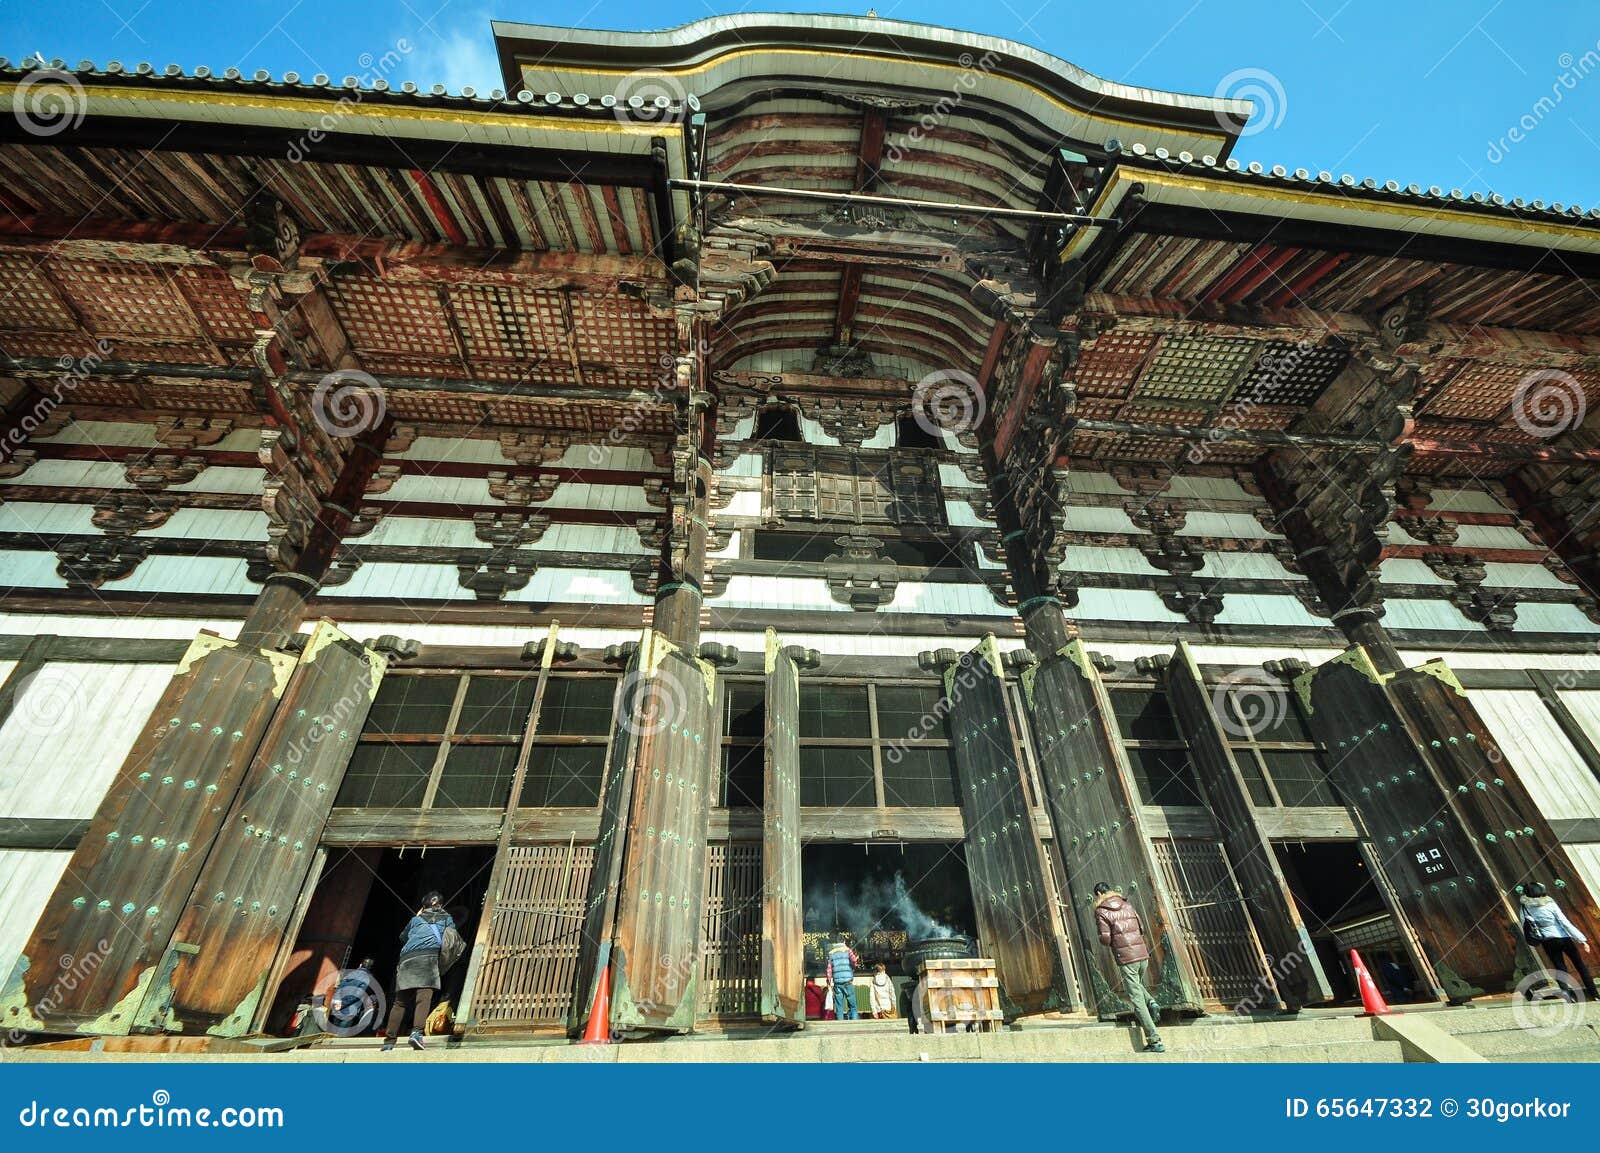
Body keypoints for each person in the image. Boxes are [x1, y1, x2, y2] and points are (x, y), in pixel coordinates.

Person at [1093, 881, 1165, 1053]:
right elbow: (1140, 928)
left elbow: (1106, 938)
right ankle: (1152, 1001)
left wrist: (1103, 939)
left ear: (1097, 894)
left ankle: (1154, 1040)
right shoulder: (1127, 904)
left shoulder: (1101, 911)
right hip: (1142, 954)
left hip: (1127, 958)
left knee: (1136, 1000)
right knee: (1137, 987)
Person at [383, 891, 457, 1051]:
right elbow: (452, 939)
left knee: (399, 1003)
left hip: (407, 960)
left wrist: (418, 917)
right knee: (422, 999)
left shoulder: (415, 920)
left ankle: (389, 1042)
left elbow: (403, 937)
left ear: (423, 906)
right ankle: (416, 1034)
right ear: (441, 905)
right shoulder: (446, 918)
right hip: (428, 960)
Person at [1520, 882, 1598, 1001]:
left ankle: (1567, 996)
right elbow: (1564, 922)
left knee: (1559, 968)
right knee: (1580, 966)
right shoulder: (1550, 903)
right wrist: (1582, 940)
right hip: (1563, 937)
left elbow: (1525, 924)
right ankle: (1595, 994)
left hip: (1547, 941)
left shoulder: (1524, 907)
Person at [327, 956, 379, 1035]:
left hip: (338, 1008)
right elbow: (358, 994)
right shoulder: (368, 978)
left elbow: (339, 988)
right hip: (350, 1011)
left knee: (333, 1033)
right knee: (341, 1036)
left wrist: (338, 1002)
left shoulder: (350, 974)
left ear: (360, 965)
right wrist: (344, 1003)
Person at [827, 938, 860, 1021]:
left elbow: (829, 969)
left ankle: (839, 1025)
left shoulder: (831, 953)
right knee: (853, 1006)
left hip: (837, 983)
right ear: (844, 941)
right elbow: (853, 962)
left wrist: (829, 981)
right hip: (848, 982)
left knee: (839, 1006)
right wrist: (855, 960)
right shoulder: (848, 950)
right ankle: (855, 1024)